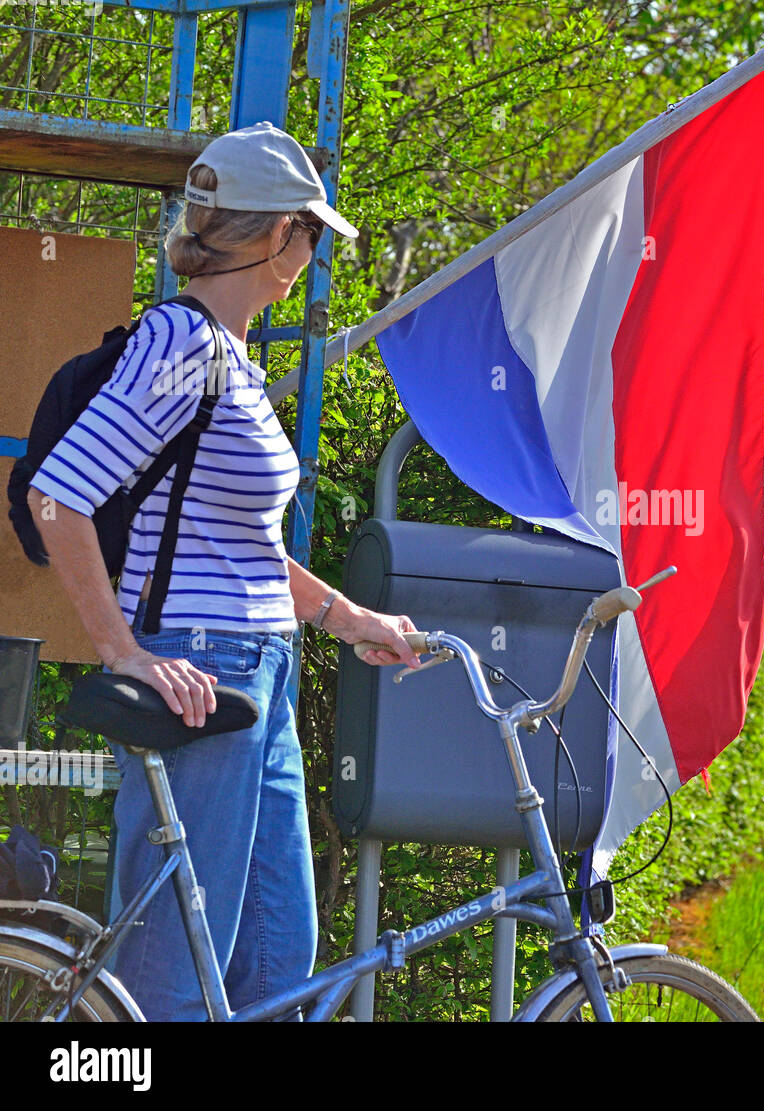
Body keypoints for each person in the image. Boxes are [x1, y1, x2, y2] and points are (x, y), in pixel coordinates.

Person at [27, 121, 420, 1021]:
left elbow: (239, 548)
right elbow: (61, 496)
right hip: (201, 674)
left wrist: (349, 618)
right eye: (312, 235)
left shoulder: (231, 357)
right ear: (280, 236)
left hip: (259, 671)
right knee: (171, 971)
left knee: (277, 963)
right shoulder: (183, 344)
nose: (312, 255)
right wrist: (124, 651)